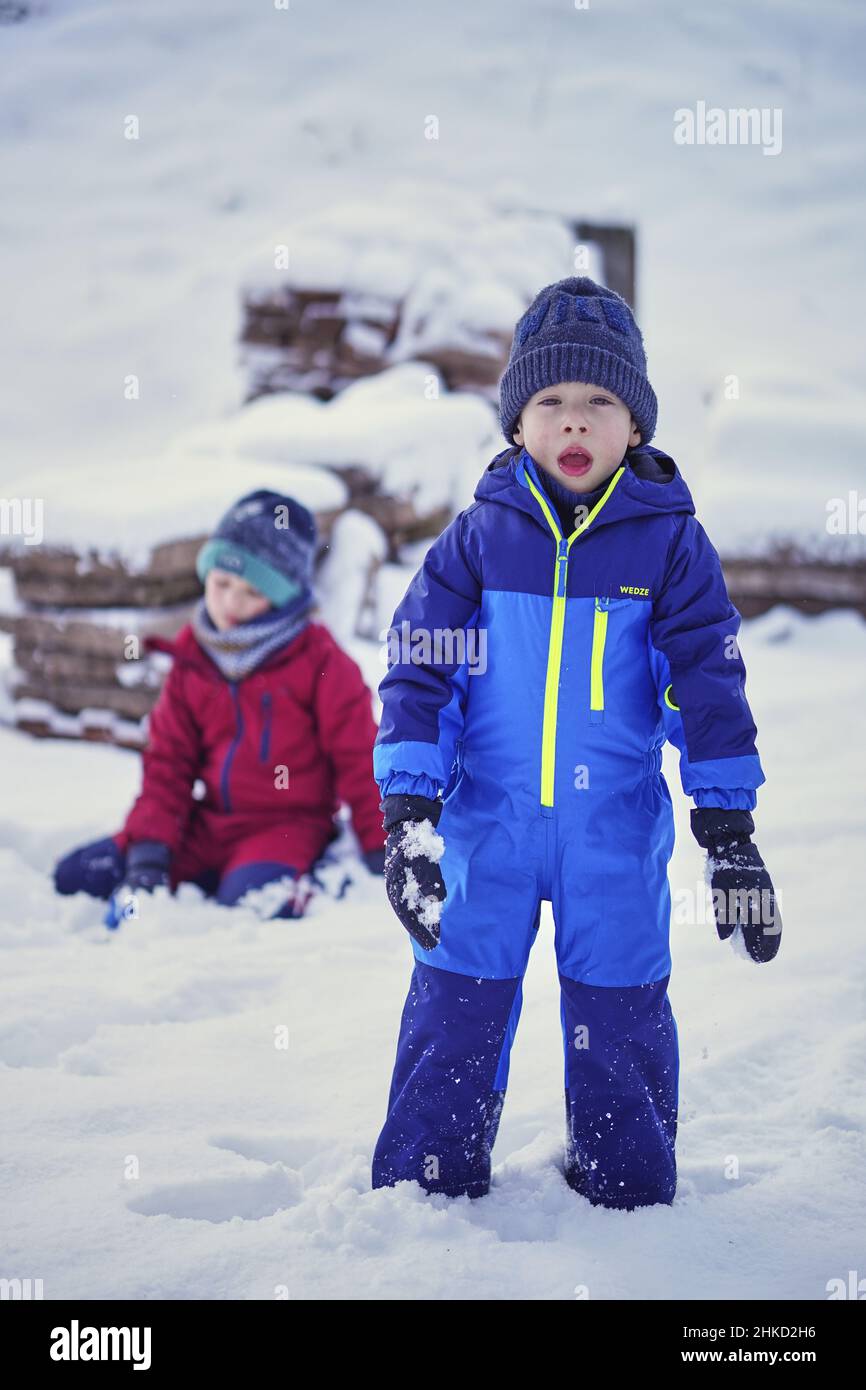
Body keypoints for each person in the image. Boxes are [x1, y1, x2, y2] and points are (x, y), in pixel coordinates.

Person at [371, 275, 782, 1208]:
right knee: (456, 1010)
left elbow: (708, 684)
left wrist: (730, 833)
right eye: (550, 402)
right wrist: (409, 816)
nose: (573, 423)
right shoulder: (478, 541)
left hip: (612, 833)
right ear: (518, 424)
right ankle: (423, 1197)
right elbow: (419, 673)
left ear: (634, 426)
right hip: (488, 825)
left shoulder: (670, 548)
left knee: (622, 1014)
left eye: (599, 402)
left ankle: (627, 1196)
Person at [53, 489, 386, 923]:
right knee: (76, 876)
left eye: (252, 591)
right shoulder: (194, 656)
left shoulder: (321, 662)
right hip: (209, 824)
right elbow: (168, 762)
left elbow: (360, 758)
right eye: (222, 584)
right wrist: (150, 851)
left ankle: (313, 879)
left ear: (284, 597)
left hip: (285, 827)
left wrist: (383, 847)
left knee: (247, 908)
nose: (230, 603)